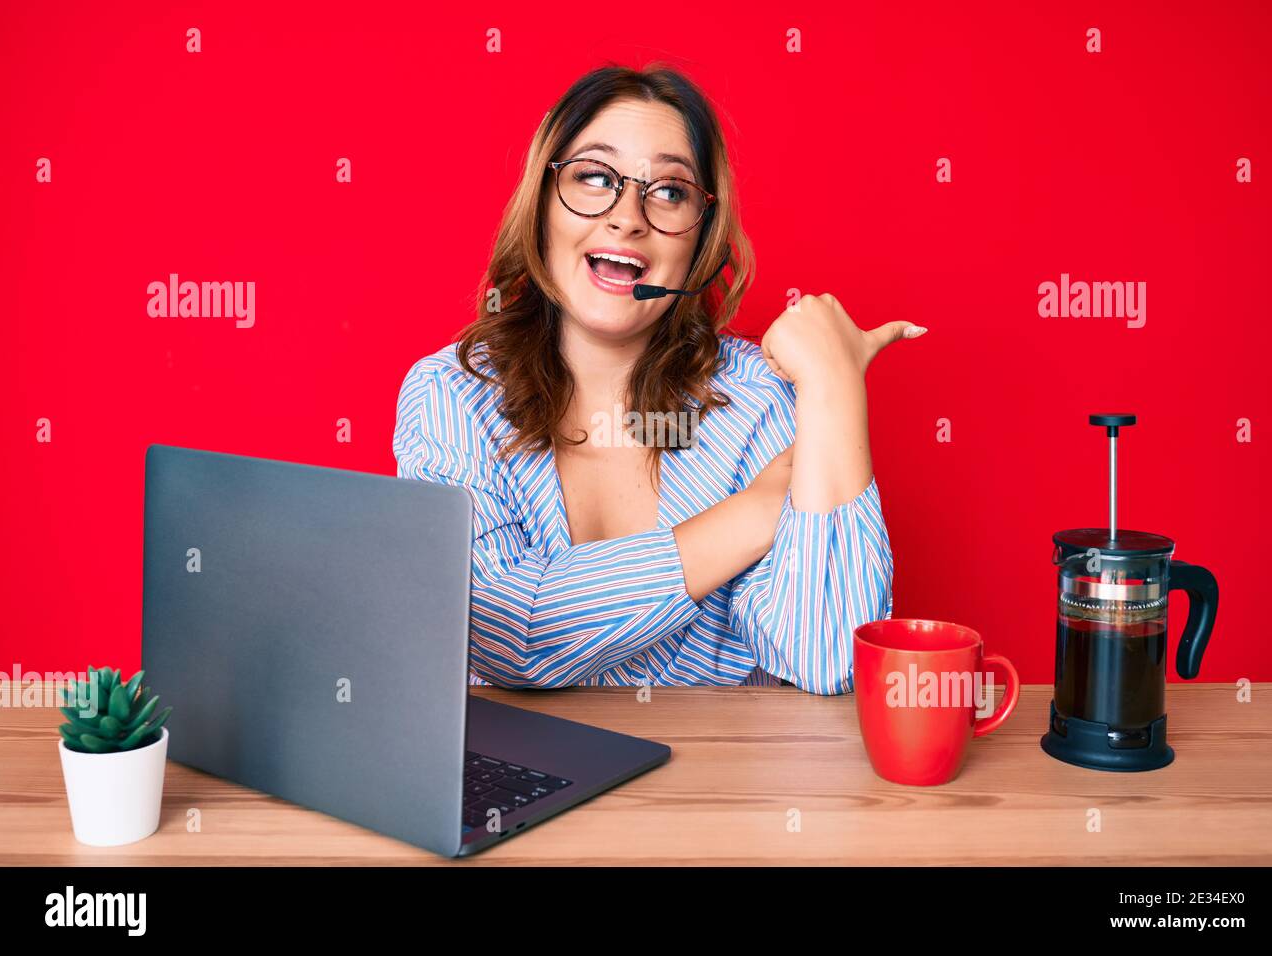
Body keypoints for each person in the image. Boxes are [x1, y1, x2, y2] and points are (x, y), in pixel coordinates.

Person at [393, 63, 924, 694]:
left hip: (712, 788)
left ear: (701, 235)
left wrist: (836, 388)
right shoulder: (452, 394)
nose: (627, 218)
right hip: (521, 782)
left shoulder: (758, 400)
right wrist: (758, 511)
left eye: (669, 192)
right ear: (541, 204)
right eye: (594, 177)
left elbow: (829, 659)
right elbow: (504, 633)